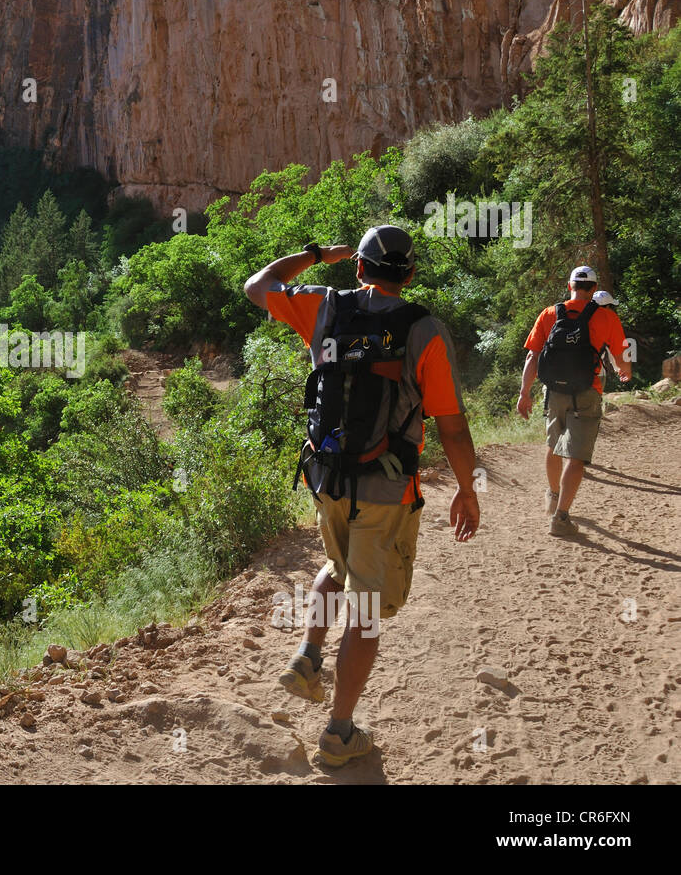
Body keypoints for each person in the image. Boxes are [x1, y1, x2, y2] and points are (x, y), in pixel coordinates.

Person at [244, 225, 480, 768]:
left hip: (325, 477)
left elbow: (258, 285)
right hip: (385, 487)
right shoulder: (423, 330)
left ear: (358, 269)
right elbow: (452, 426)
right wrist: (467, 490)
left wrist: (311, 255)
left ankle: (308, 656)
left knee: (337, 562)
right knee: (369, 610)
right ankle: (339, 732)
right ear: (411, 274)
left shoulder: (324, 307)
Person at [516, 266, 631, 537]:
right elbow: (621, 356)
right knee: (576, 456)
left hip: (553, 391)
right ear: (593, 289)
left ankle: (553, 494)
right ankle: (561, 517)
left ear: (570, 286)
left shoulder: (549, 314)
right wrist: (624, 370)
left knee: (554, 446)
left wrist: (524, 393)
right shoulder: (605, 317)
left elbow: (532, 357)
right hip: (587, 392)